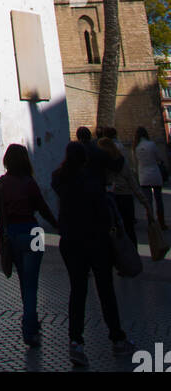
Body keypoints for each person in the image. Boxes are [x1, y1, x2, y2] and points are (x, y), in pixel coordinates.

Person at [51, 140, 135, 367]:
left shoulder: (59, 180)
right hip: (96, 242)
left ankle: (75, 341)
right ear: (85, 160)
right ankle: (117, 338)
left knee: (78, 292)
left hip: (70, 243)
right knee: (105, 290)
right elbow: (104, 214)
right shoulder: (92, 183)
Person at [0, 144, 58, 348]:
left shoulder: (0, 184)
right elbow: (42, 207)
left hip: (12, 233)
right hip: (33, 231)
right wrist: (58, 226)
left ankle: (31, 323)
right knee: (32, 283)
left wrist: (0, 241)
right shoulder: (29, 182)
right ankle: (30, 327)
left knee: (24, 281)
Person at [96, 134, 151, 246]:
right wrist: (145, 202)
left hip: (111, 199)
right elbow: (133, 183)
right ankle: (133, 254)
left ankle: (119, 256)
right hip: (126, 198)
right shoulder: (122, 161)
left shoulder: (101, 164)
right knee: (129, 229)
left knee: (113, 230)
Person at [133, 127, 167, 230]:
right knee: (158, 200)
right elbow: (159, 158)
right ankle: (161, 222)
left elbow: (135, 162)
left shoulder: (136, 147)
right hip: (155, 174)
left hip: (143, 176)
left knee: (148, 201)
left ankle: (151, 223)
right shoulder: (151, 145)